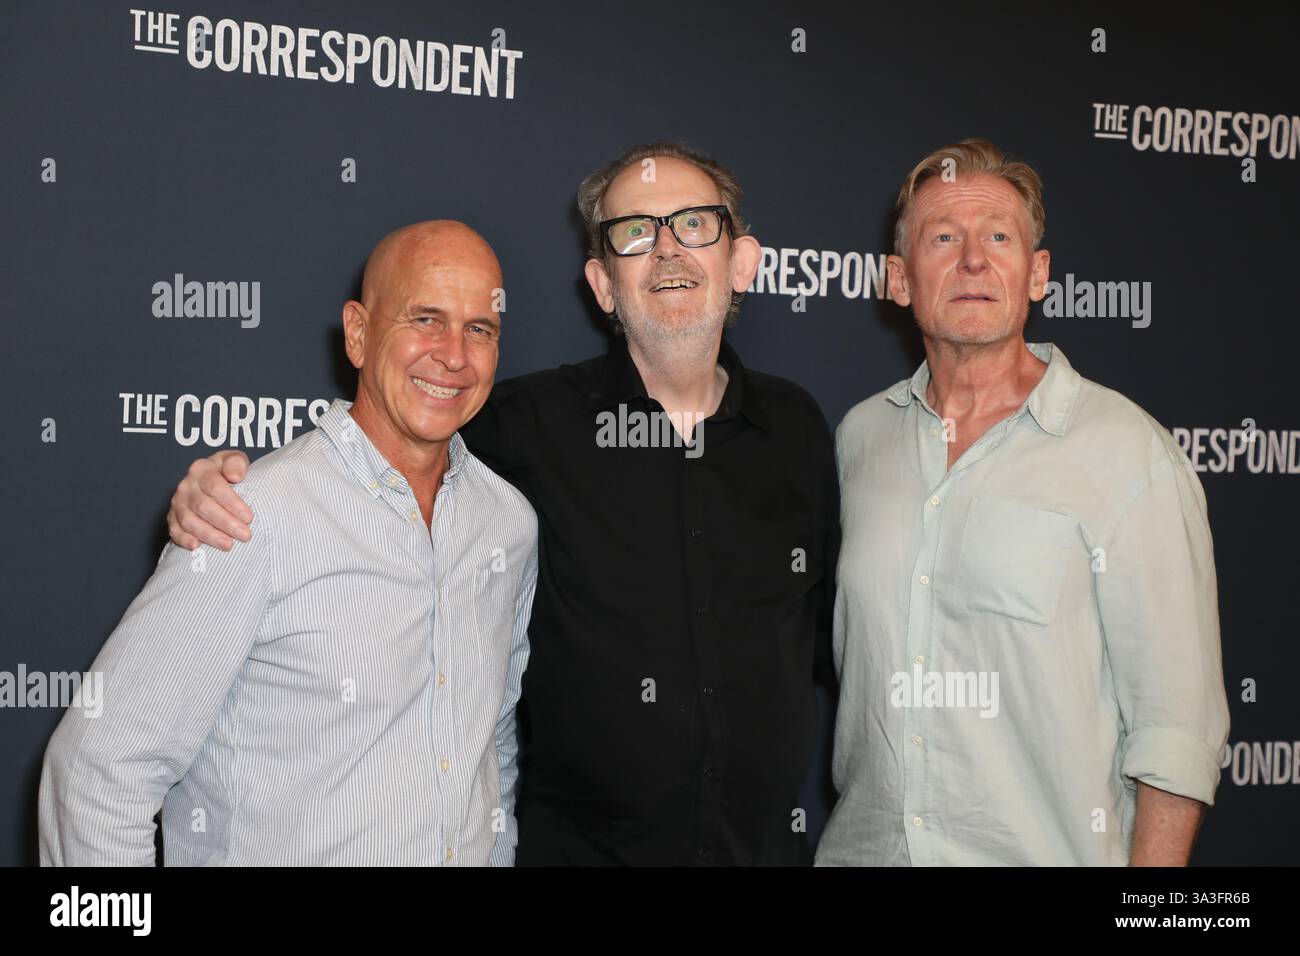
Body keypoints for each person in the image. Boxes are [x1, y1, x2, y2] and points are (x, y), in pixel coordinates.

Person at [163, 143, 840, 865]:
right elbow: (384, 435)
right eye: (635, 231)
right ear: (603, 284)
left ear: (743, 262)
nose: (668, 248)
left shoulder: (798, 428)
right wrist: (221, 488)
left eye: (695, 224)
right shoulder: (520, 425)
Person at [40, 221, 537, 865]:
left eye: (480, 329)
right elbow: (95, 771)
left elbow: (489, 746)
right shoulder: (250, 516)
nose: (453, 354)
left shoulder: (508, 525)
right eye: (425, 319)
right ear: (358, 333)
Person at [816, 139, 1230, 866]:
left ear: (1036, 274)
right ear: (898, 279)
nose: (973, 260)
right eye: (943, 237)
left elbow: (1177, 727)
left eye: (998, 237)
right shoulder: (859, 440)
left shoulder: (1129, 454)